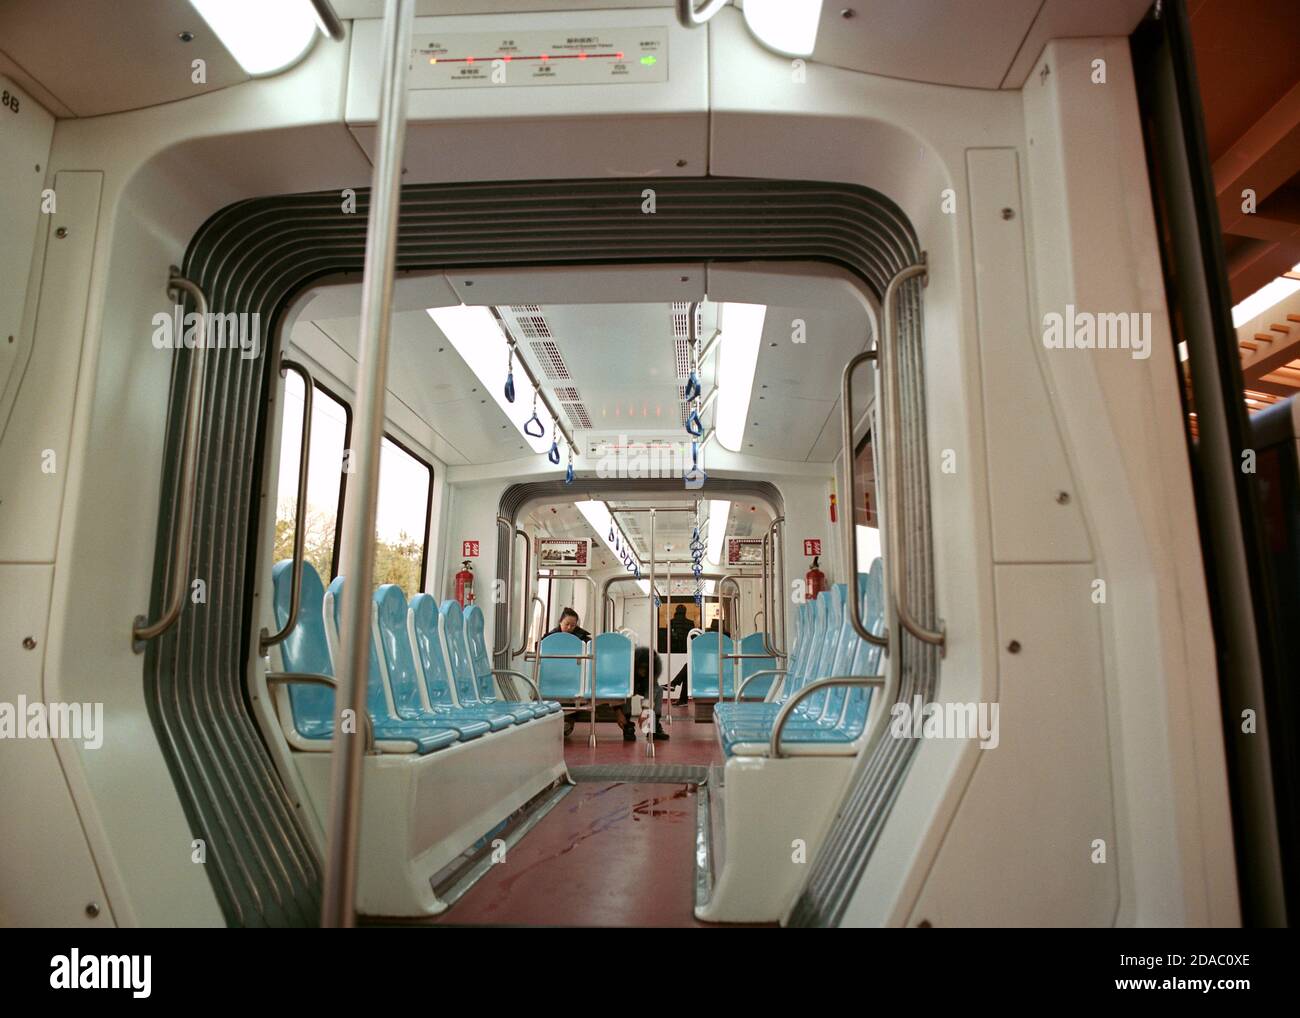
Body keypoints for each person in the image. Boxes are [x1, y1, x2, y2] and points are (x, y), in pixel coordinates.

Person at [668, 604, 693, 705]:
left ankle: (673, 684)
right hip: (686, 648)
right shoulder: (690, 623)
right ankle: (682, 699)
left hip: (674, 647)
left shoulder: (671, 622)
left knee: (688, 668)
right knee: (687, 672)